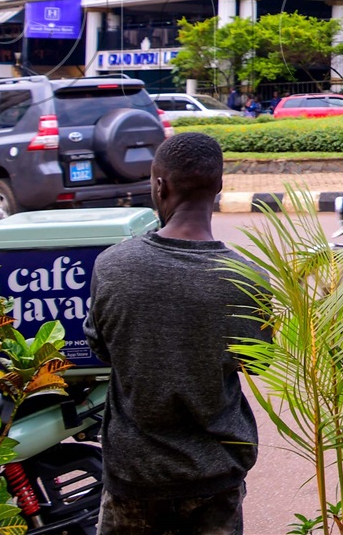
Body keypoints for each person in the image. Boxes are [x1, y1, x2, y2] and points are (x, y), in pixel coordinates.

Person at [84, 132, 270, 535]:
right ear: (219, 187)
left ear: (159, 185)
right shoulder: (248, 279)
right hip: (214, 475)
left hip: (135, 475)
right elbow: (258, 362)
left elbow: (100, 348)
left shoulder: (113, 266)